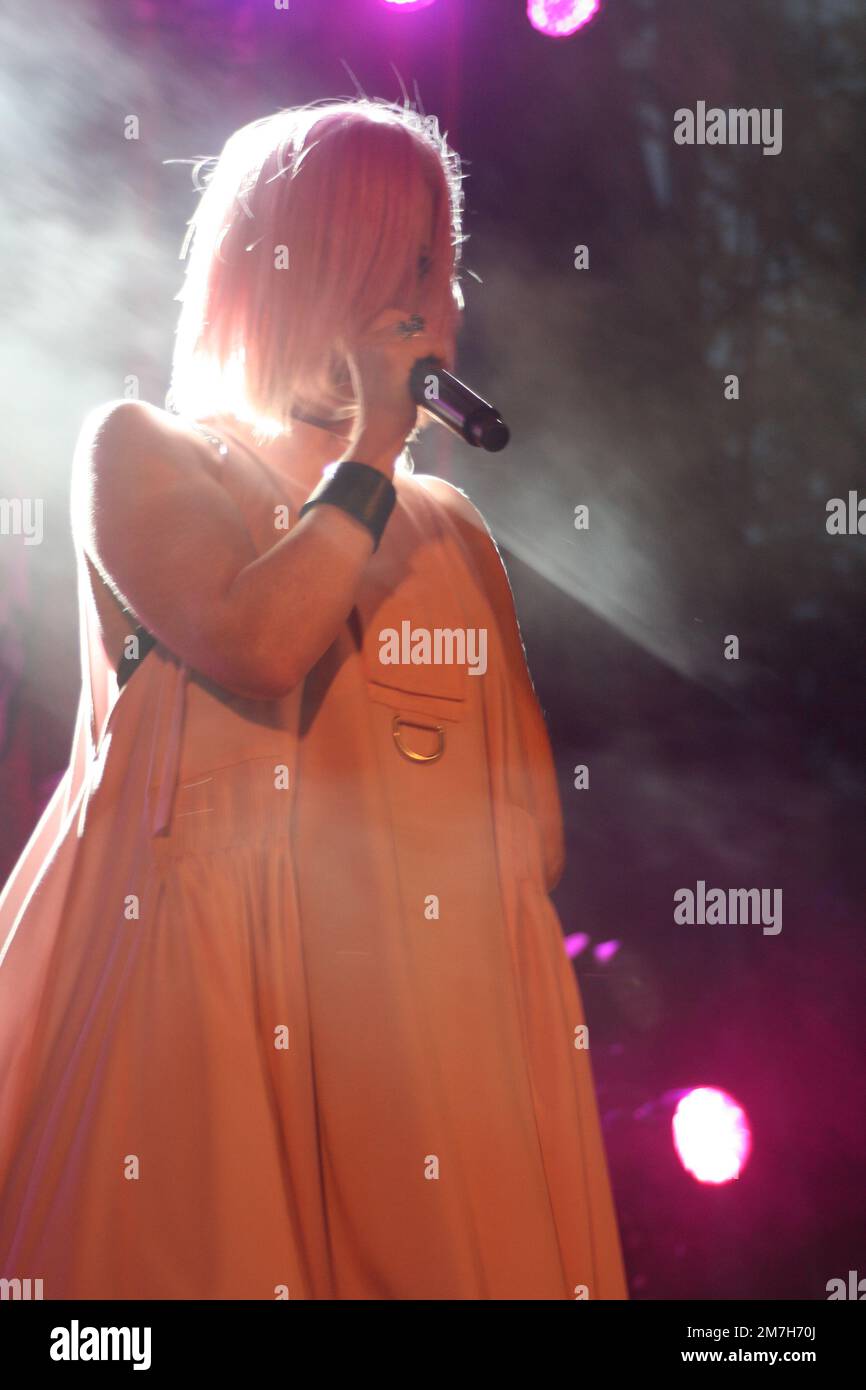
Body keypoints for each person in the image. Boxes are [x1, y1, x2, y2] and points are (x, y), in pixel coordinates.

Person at [0, 98, 627, 1300]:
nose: (434, 303)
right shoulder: (147, 453)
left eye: (440, 269)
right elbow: (257, 641)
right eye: (398, 266)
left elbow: (531, 829)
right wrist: (371, 456)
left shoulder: (449, 528)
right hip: (216, 1028)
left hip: (431, 1049)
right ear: (289, 268)